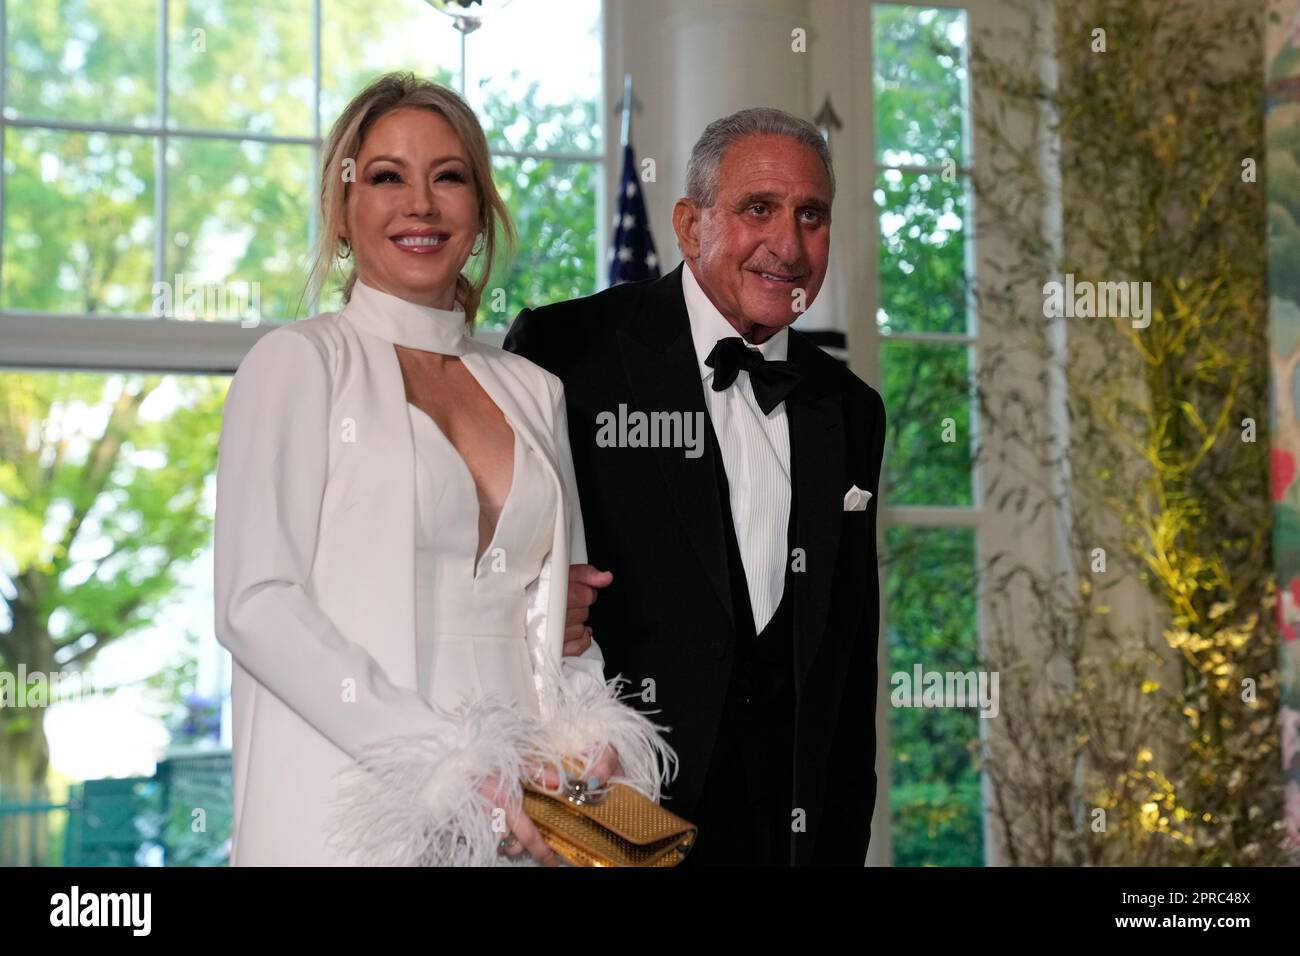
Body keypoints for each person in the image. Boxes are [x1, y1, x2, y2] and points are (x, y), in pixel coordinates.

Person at [214, 72, 674, 867]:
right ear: (344, 209)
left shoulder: (534, 391)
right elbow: (257, 605)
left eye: (449, 177)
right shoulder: (296, 365)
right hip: (347, 814)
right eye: (387, 176)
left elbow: (561, 622)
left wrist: (596, 742)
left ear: (480, 209)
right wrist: (455, 766)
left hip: (521, 825)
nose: (420, 204)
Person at [506, 107, 886, 866]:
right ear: (688, 225)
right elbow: (492, 567)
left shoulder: (850, 411)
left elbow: (846, 661)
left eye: (812, 215)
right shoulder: (564, 351)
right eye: (758, 209)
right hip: (609, 817)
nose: (788, 244)